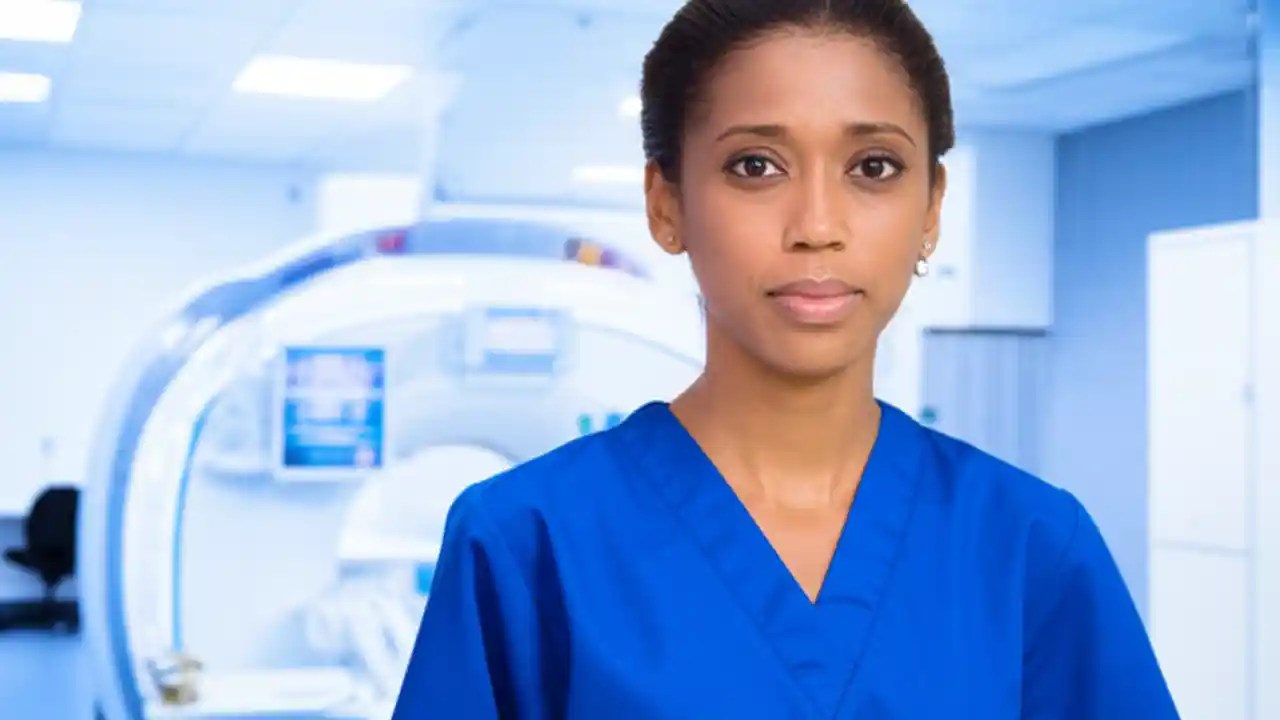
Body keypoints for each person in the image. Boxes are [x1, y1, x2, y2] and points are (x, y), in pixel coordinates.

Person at [392, 1, 1181, 717]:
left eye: (873, 167)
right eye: (755, 166)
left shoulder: (1031, 546)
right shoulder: (524, 545)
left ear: (931, 208)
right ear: (667, 204)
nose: (817, 225)